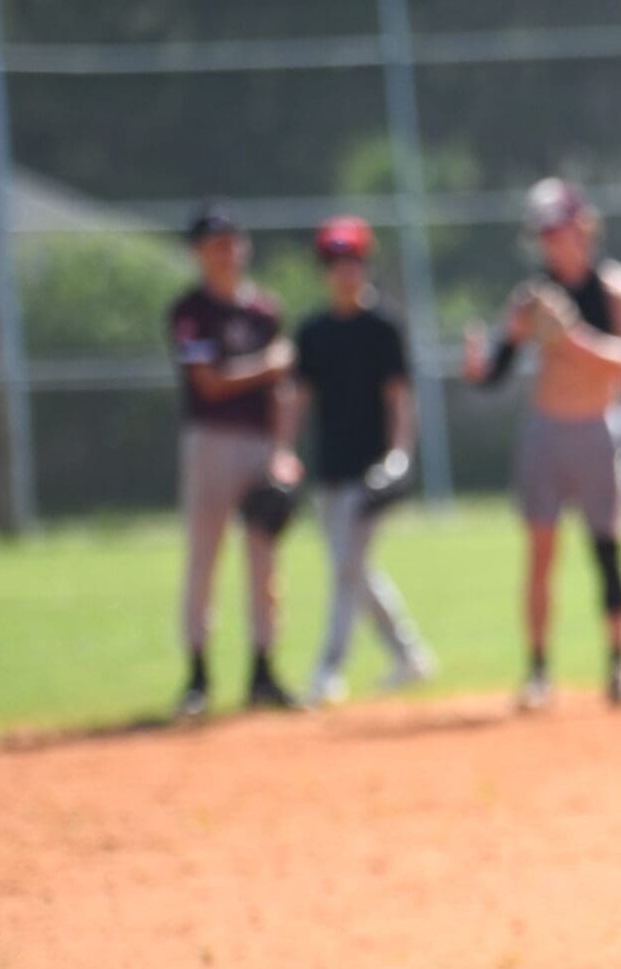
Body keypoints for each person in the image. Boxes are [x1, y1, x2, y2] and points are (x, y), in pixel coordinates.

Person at [462, 179, 621, 711]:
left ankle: (618, 668)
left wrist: (570, 338)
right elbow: (497, 365)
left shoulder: (618, 290)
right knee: (541, 553)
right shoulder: (531, 296)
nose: (551, 243)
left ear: (583, 226)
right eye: (543, 234)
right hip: (546, 430)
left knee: (607, 550)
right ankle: (539, 672)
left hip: (598, 427)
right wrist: (479, 367)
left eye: (559, 230)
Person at [292, 215, 436, 708]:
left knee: (345, 571)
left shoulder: (382, 327)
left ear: (364, 264)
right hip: (327, 469)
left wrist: (398, 458)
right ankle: (410, 655)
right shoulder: (312, 332)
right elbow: (298, 400)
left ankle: (328, 671)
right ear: (324, 268)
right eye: (334, 261)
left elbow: (400, 399)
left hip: (370, 471)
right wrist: (282, 454)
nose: (344, 270)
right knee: (353, 569)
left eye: (352, 260)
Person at [167, 203, 298, 718]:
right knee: (205, 557)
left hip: (261, 442)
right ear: (199, 253)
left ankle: (263, 672)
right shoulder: (190, 312)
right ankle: (198, 677)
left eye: (233, 241)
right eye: (215, 243)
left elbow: (285, 390)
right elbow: (209, 384)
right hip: (211, 440)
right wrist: (266, 365)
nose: (228, 252)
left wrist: (285, 453)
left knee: (265, 562)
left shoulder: (265, 311)